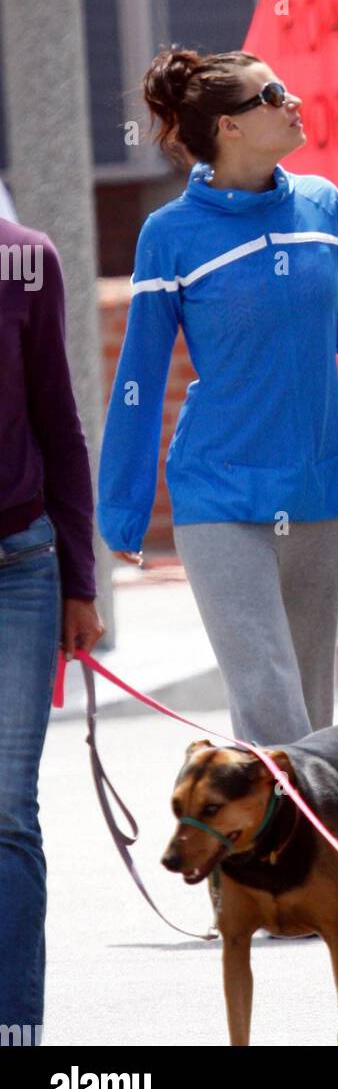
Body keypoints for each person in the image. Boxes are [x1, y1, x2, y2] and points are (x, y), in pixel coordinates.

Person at [97, 47, 338, 746]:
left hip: (323, 485)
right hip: (219, 493)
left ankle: (319, 853)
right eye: (272, 96)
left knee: (312, 709)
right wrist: (122, 511)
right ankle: (287, 849)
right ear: (227, 128)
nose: (294, 104)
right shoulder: (170, 235)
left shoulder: (322, 205)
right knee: (268, 696)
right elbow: (139, 378)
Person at [0, 215, 104, 1041]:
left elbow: (59, 425)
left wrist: (78, 579)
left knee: (6, 810)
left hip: (18, 569)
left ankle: (15, 1033)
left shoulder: (25, 261)